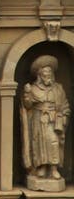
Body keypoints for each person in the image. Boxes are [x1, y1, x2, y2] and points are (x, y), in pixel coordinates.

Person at [21, 55, 70, 183]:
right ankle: (41, 167)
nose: (48, 75)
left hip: (54, 120)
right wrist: (27, 94)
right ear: (40, 75)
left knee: (53, 141)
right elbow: (27, 106)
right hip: (38, 119)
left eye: (49, 73)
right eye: (45, 73)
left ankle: (54, 168)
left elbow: (65, 105)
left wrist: (63, 116)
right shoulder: (33, 88)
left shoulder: (58, 88)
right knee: (39, 143)